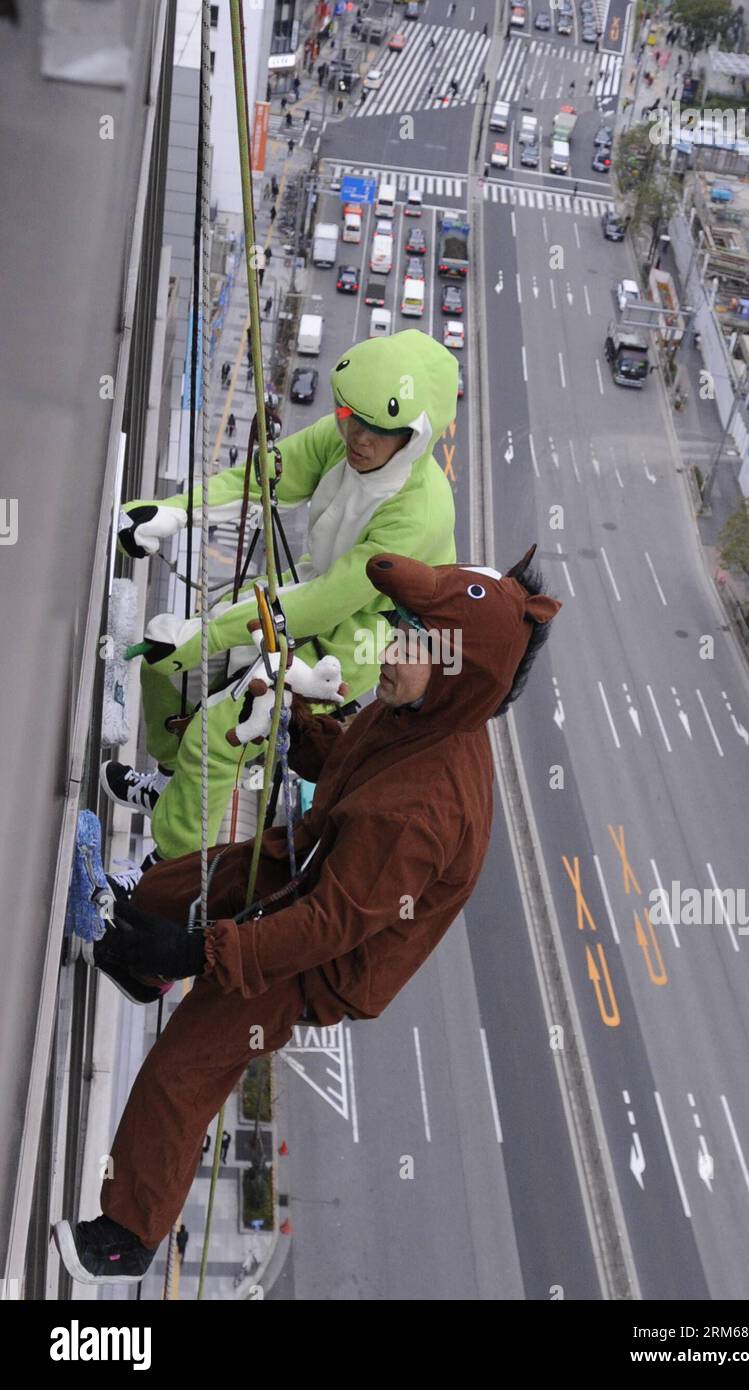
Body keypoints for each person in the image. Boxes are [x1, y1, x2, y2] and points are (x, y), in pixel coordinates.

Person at [54, 548, 561, 1281]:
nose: (389, 650)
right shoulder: (420, 712)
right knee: (176, 888)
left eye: (414, 644)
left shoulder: (424, 811)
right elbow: (347, 761)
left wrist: (201, 955)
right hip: (314, 860)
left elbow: (327, 926)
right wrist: (292, 717)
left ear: (458, 674)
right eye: (400, 630)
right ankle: (139, 965)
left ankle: (127, 1236)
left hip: (322, 960)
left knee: (185, 1068)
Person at [100, 332, 461, 876]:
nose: (356, 437)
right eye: (348, 416)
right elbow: (261, 480)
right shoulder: (344, 437)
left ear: (413, 437)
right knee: (160, 658)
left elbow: (325, 605)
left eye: (378, 429)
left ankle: (164, 871)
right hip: (304, 594)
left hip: (354, 646)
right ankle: (174, 786)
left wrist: (208, 636)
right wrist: (170, 511)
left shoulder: (418, 513)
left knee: (222, 730)